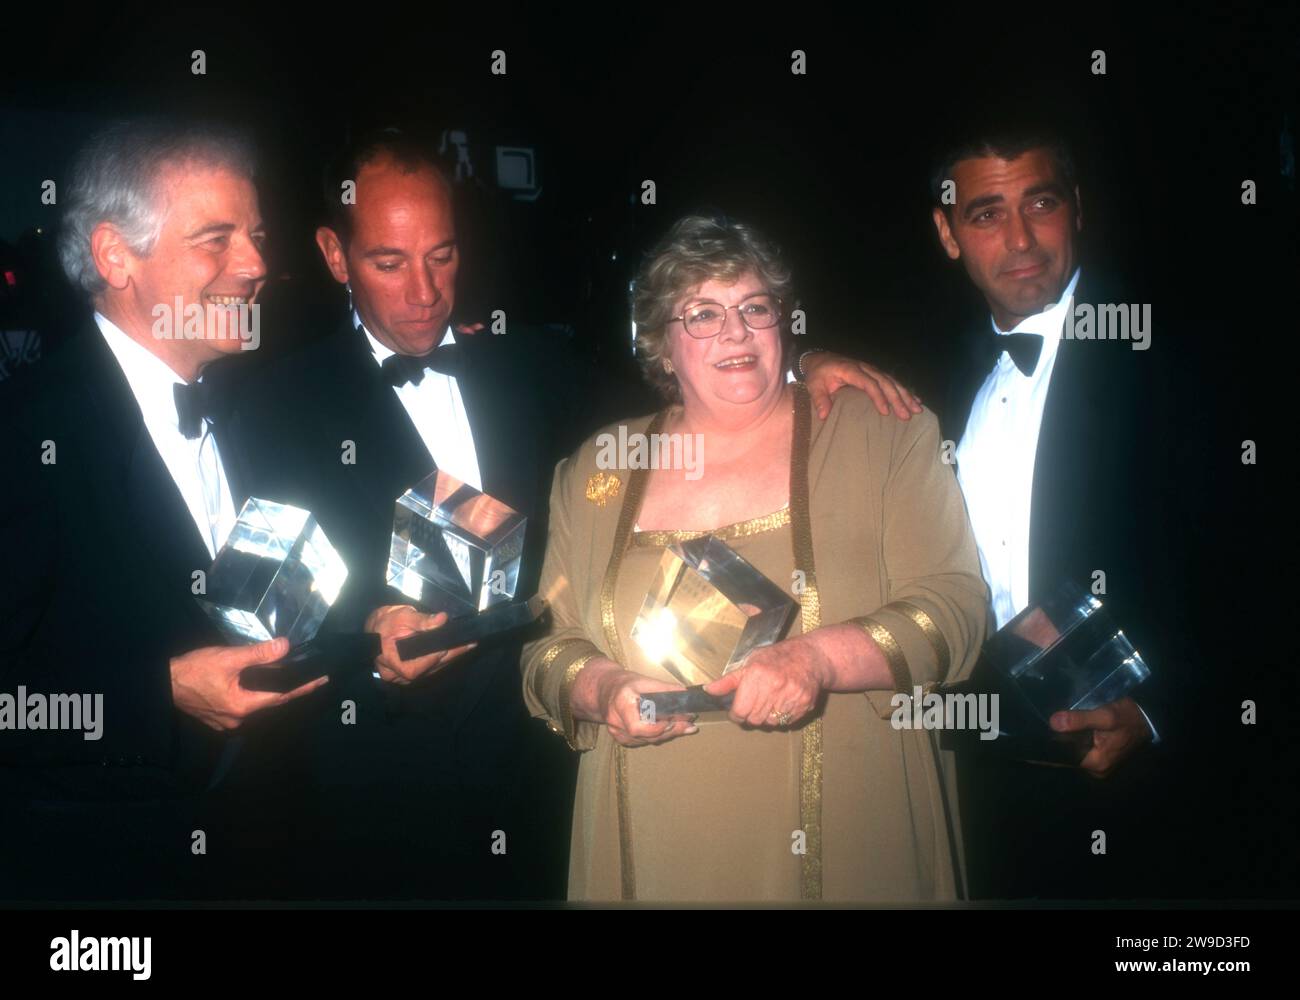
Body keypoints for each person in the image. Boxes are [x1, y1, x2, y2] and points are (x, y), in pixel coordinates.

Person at [520, 213, 989, 902]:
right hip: (650, 839)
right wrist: (601, 689)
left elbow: (955, 610)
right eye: (702, 314)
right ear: (659, 343)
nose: (735, 332)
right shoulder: (597, 470)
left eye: (754, 308)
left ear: (784, 323)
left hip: (854, 834)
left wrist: (817, 659)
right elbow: (545, 646)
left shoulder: (880, 435)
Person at [0, 119, 323, 900]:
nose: (256, 265)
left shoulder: (253, 410)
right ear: (117, 256)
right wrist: (156, 694)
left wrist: (368, 638)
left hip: (261, 860)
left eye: (255, 235)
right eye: (216, 239)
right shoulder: (23, 437)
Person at [929, 124, 1184, 898]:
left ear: (1077, 208)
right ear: (948, 235)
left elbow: (1259, 552)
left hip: (1139, 781)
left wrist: (1161, 711)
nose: (1018, 238)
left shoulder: (1169, 350)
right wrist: (811, 359)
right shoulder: (931, 375)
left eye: (1039, 202)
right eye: (985, 213)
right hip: (981, 779)